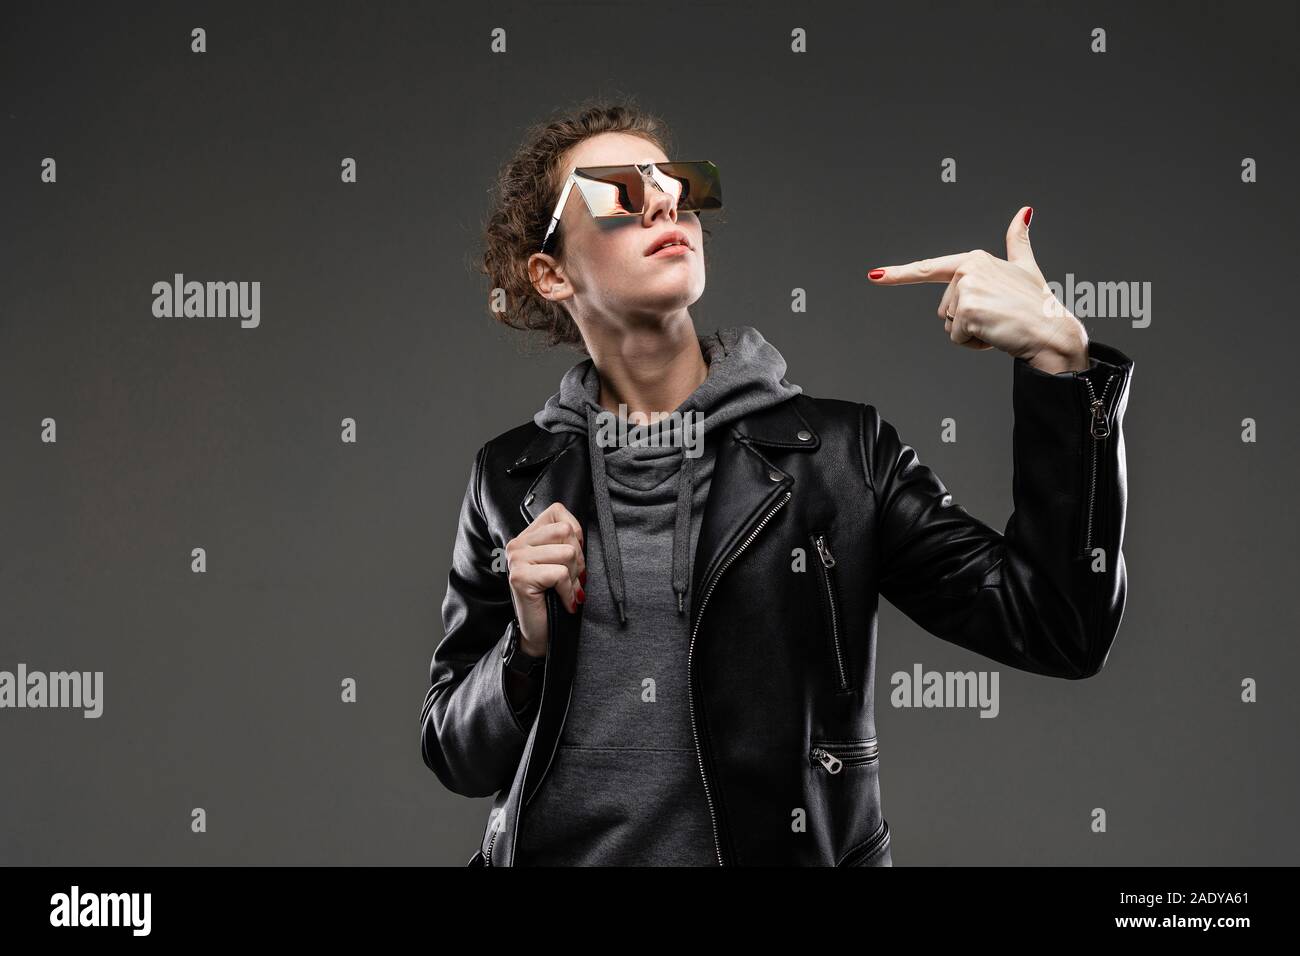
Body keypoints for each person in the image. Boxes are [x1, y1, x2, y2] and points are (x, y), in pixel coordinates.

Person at [419, 100, 1134, 866]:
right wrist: (522, 649)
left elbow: (1059, 627)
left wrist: (1063, 365)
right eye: (621, 191)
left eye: (679, 183)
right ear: (551, 273)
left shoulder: (837, 457)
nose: (665, 200)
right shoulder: (511, 475)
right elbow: (457, 756)